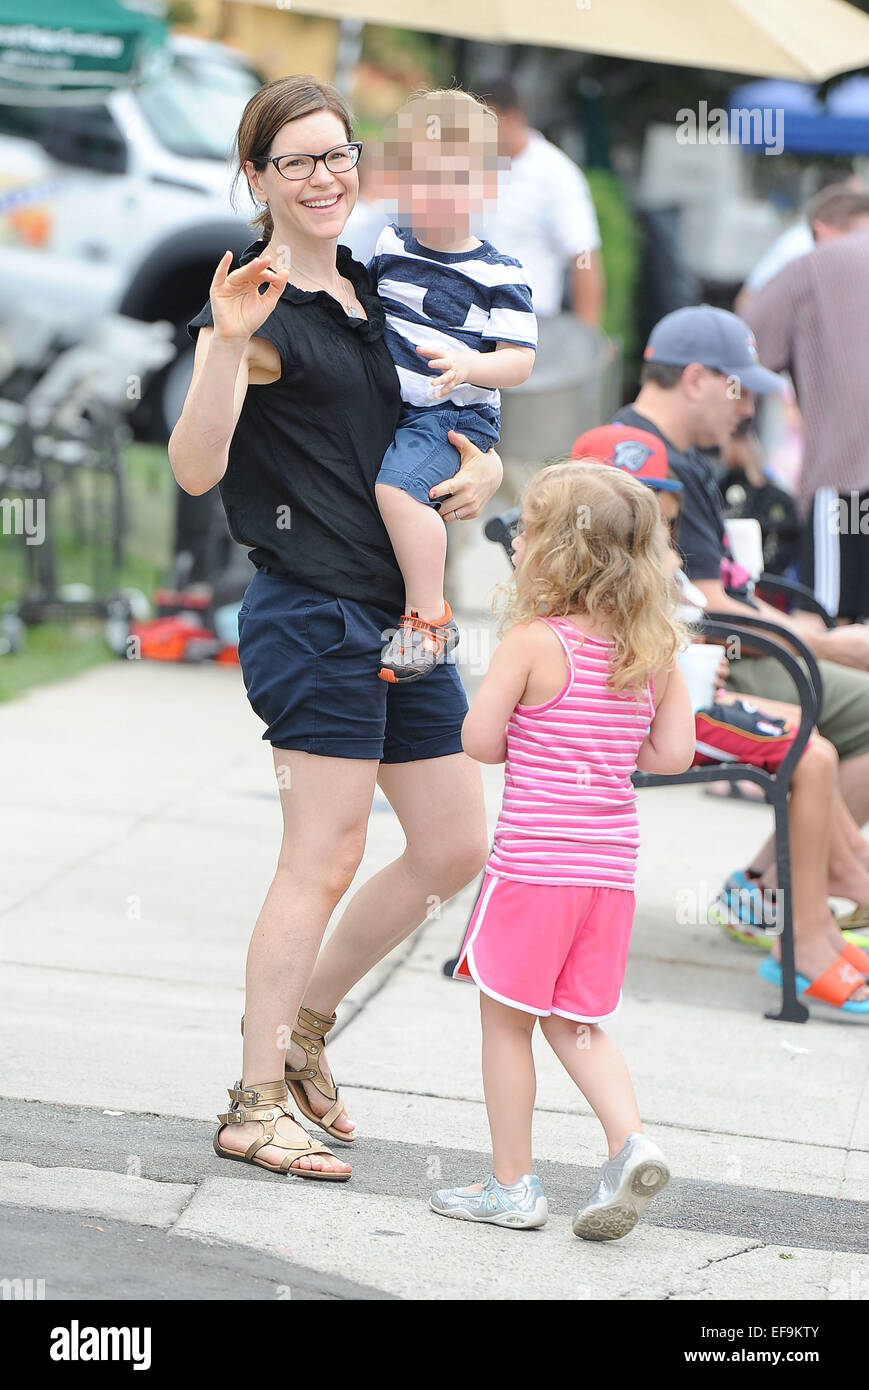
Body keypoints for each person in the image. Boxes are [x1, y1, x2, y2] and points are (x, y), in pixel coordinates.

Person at [168, 75, 500, 1181]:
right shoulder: (255, 305)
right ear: (256, 178)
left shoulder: (378, 284)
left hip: (403, 614)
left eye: (337, 153)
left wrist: (486, 468)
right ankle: (254, 1098)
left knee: (452, 844)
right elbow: (195, 467)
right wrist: (225, 343)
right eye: (296, 161)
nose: (324, 176)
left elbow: (440, 415)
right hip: (312, 611)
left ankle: (303, 1028)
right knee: (323, 855)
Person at [430, 461, 695, 1236]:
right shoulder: (654, 651)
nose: (514, 543)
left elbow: (479, 741)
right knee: (577, 1023)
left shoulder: (532, 642)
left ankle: (512, 1186)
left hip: (531, 871)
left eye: (526, 530)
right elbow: (672, 754)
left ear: (561, 551)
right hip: (607, 877)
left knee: (506, 1024)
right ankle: (629, 1144)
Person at [573, 423, 869, 1014]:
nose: (655, 518)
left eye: (659, 503)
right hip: (651, 715)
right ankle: (806, 936)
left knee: (808, 738)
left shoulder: (651, 560)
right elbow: (619, 656)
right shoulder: (598, 570)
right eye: (635, 502)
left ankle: (817, 916)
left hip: (680, 699)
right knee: (810, 754)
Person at [613, 305, 869, 848]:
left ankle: (786, 882)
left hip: (709, 653)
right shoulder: (651, 462)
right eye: (740, 391)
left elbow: (726, 589)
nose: (748, 410)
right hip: (698, 668)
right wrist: (826, 645)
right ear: (695, 379)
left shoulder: (657, 448)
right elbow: (708, 609)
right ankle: (783, 883)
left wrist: (810, 635)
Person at [370, 89, 536, 684]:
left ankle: (428, 617)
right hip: (400, 407)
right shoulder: (390, 245)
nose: (439, 195)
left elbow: (519, 361)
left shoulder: (499, 273)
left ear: (488, 187)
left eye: (459, 181)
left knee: (398, 493)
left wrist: (470, 365)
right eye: (424, 179)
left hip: (450, 414)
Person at [742, 188, 869, 621]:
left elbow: (743, 353)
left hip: (845, 481)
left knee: (826, 620)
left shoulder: (812, 266)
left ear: (820, 229)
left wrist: (740, 439)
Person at [481, 77, 605, 326]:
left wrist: (586, 335)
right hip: (470, 315)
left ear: (512, 118)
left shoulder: (555, 173)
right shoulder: (473, 164)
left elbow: (583, 254)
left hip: (527, 321)